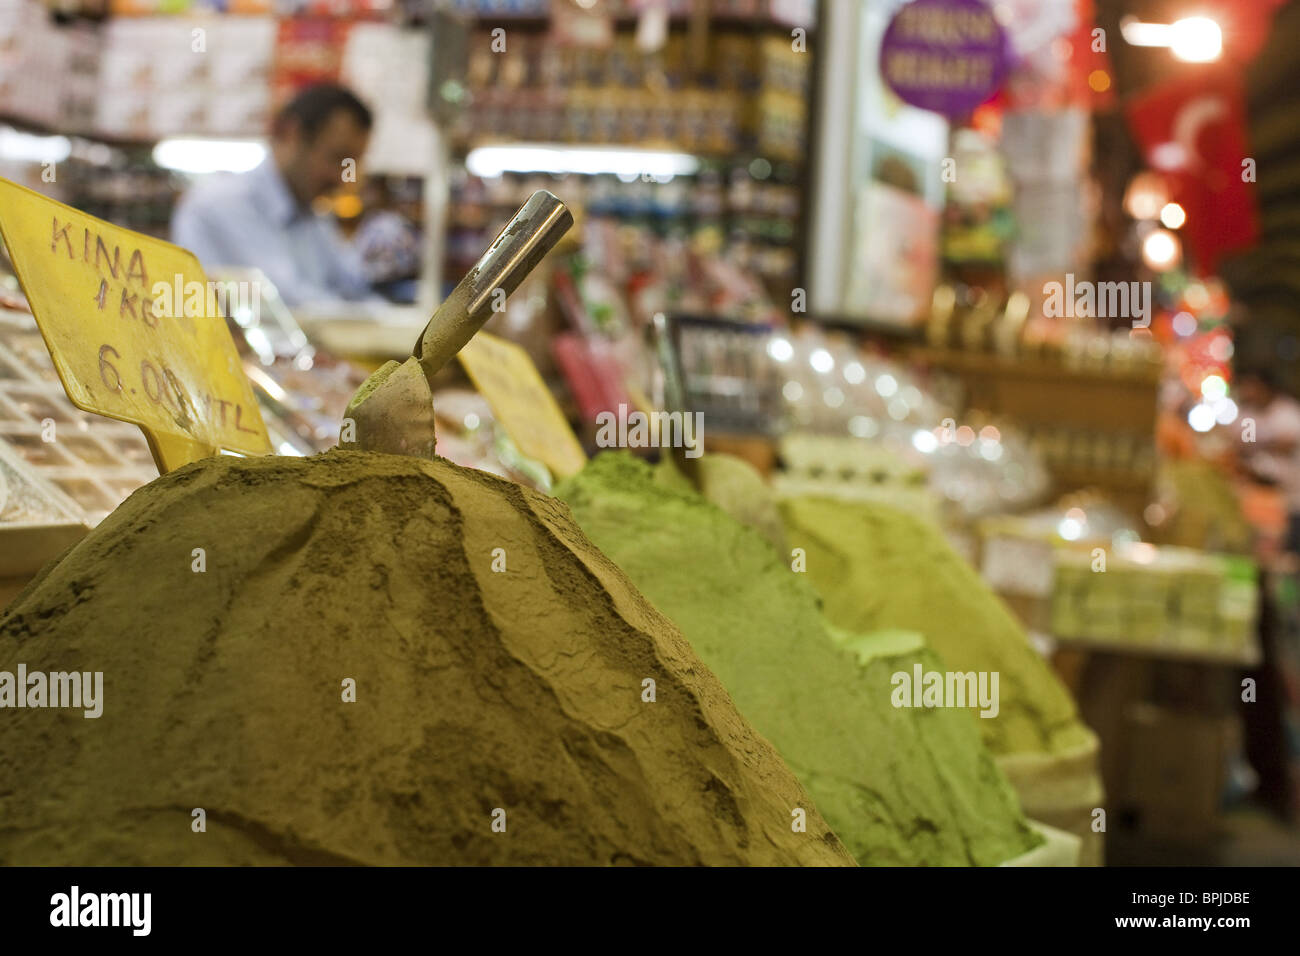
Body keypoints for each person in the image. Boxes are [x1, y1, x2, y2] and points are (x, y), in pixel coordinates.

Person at [172, 83, 375, 307]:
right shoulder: (219, 205)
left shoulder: (312, 216)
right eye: (337, 158)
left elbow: (353, 287)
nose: (342, 178)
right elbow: (283, 303)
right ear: (291, 134)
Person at [1236, 367, 1300, 554]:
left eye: (1253, 387)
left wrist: (1260, 444)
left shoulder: (1287, 412)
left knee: (1287, 553)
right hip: (1258, 494)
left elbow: (1288, 443)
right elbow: (1244, 445)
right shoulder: (1248, 416)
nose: (1249, 392)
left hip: (1289, 497)